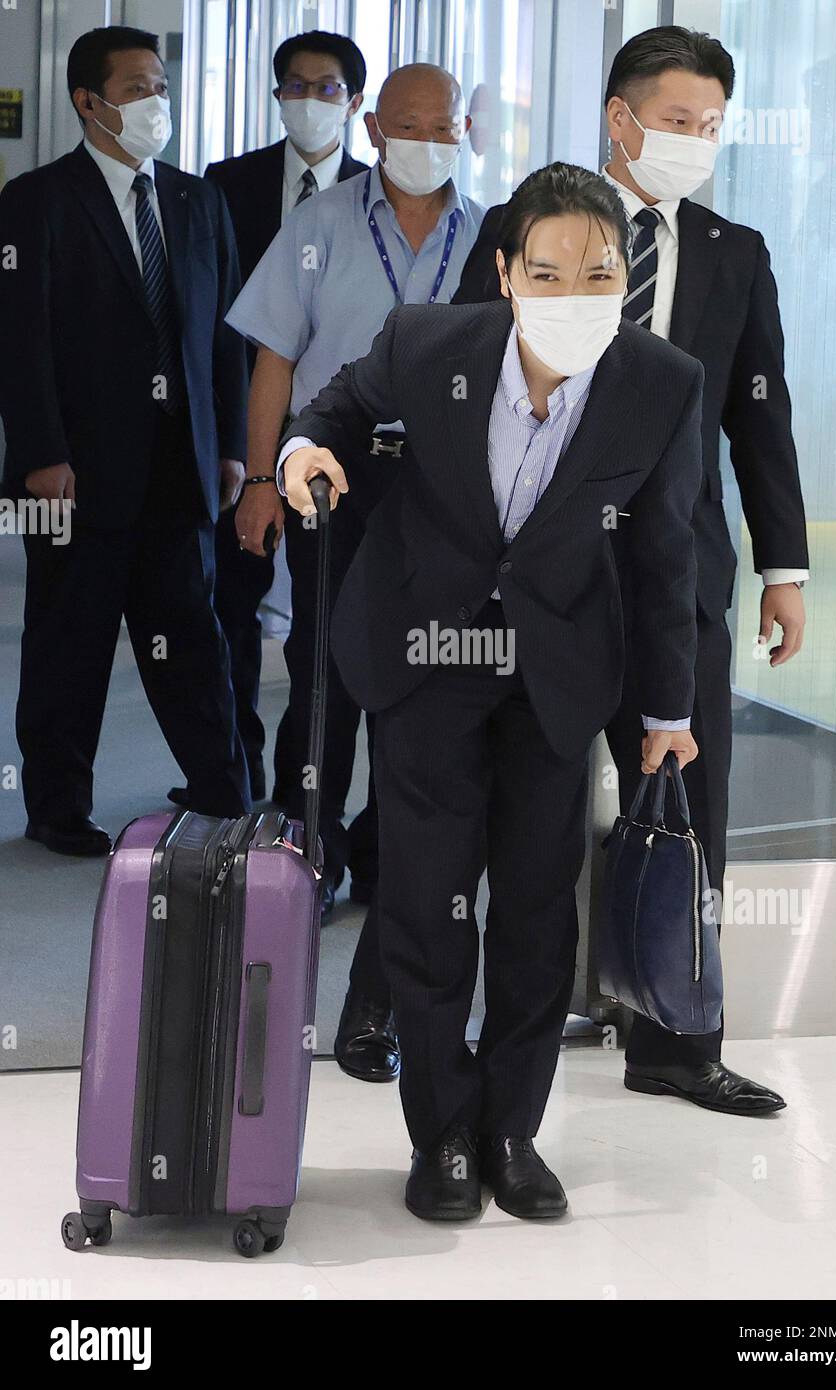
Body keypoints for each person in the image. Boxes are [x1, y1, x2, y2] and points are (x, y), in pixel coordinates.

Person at [279, 163, 705, 1221]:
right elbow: (333, 408)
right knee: (426, 906)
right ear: (508, 273)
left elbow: (665, 558)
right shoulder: (428, 344)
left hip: (555, 673)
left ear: (623, 277)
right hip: (425, 654)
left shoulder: (660, 382)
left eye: (598, 274)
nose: (574, 294)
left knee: (532, 909)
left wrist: (666, 715)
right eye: (549, 272)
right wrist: (297, 454)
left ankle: (511, 1128)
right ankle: (441, 1137)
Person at [451, 26, 807, 1117]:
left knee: (686, 801)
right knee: (513, 806)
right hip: (542, 571)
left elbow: (761, 419)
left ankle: (675, 1036)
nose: (696, 141)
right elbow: (465, 376)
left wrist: (783, 567)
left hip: (677, 574)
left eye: (710, 125)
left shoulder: (733, 251)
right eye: (679, 120)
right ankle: (450, 1025)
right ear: (621, 118)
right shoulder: (532, 231)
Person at [226, 63, 485, 1082]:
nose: (425, 138)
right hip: (332, 475)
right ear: (373, 126)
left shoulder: (491, 232)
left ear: (463, 128)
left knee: (429, 681)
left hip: (446, 490)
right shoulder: (322, 224)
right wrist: (258, 480)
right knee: (329, 680)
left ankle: (383, 853)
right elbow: (274, 365)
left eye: (443, 124)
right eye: (406, 124)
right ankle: (311, 851)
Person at [0, 25, 250, 856]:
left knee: (190, 630)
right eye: (139, 88)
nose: (157, 103)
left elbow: (221, 335)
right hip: (70, 472)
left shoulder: (192, 198)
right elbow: (20, 339)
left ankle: (222, 788)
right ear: (88, 102)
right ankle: (58, 807)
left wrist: (231, 445)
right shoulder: (37, 201)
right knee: (70, 639)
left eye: (161, 86)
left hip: (180, 464)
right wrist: (40, 453)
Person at [167, 31, 368, 807]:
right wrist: (229, 444)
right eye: (294, 86)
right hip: (243, 430)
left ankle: (308, 792)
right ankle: (234, 768)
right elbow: (211, 319)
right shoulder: (229, 184)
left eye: (326, 89)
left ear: (354, 104)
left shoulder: (375, 192)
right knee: (233, 604)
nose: (307, 101)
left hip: (339, 440)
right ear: (276, 94)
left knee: (326, 622)